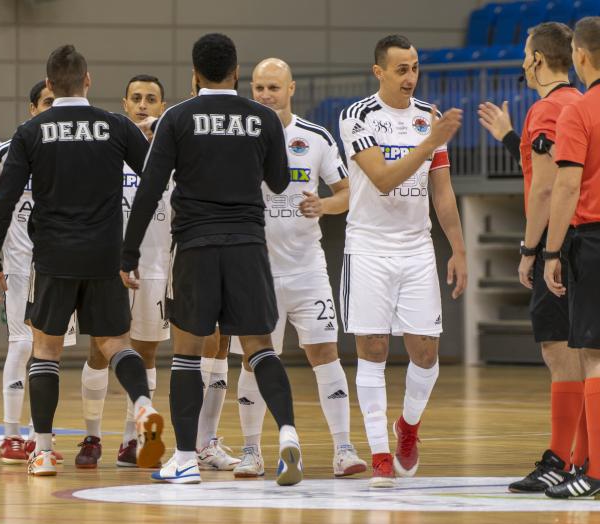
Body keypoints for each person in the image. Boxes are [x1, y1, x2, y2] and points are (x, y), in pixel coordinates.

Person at [122, 33, 301, 486]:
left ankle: (183, 458)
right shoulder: (263, 118)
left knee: (186, 356)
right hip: (247, 246)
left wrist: (128, 252)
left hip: (197, 248)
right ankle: (287, 434)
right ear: (237, 73)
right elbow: (280, 183)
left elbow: (150, 187)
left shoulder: (177, 117)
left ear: (195, 75)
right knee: (259, 347)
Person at [0, 44, 165, 477]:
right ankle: (142, 408)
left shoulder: (31, 132)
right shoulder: (117, 126)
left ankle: (43, 450)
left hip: (54, 257)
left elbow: (3, 201)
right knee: (116, 344)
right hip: (104, 255)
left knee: (44, 350)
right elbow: (155, 182)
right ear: (88, 80)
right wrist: (130, 246)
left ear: (48, 84)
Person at [229, 57, 366, 479]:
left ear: (291, 90)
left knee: (324, 353)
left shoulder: (315, 137)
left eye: (274, 88)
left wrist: (322, 206)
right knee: (252, 360)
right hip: (255, 272)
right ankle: (251, 451)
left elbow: (347, 192)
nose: (266, 96)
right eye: (259, 88)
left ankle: (343, 448)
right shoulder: (238, 137)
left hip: (307, 270)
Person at [338, 34, 465, 488]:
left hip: (417, 248)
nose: (410, 77)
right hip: (369, 248)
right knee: (371, 349)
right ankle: (378, 453)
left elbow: (442, 190)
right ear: (379, 72)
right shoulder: (357, 116)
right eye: (401, 69)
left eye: (415, 68)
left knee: (426, 351)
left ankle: (407, 427)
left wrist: (459, 249)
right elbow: (384, 179)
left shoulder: (427, 118)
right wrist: (430, 141)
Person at [478, 22, 585, 493]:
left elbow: (544, 187)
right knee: (578, 355)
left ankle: (565, 458)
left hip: (558, 244)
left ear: (538, 60)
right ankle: (572, 458)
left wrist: (529, 251)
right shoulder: (579, 104)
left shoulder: (546, 109)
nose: (522, 60)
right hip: (585, 238)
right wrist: (509, 137)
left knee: (560, 354)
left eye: (526, 52)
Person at [74, 74, 175, 469]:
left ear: (162, 107)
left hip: (155, 266)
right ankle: (92, 436)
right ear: (124, 103)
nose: (144, 105)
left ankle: (131, 441)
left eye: (152, 98)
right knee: (101, 351)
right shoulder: (108, 146)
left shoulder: (172, 152)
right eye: (136, 98)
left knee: (146, 353)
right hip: (109, 264)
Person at [0, 80, 74, 464]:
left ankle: (43, 436)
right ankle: (10, 434)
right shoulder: (10, 150)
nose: (53, 107)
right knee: (23, 345)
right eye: (47, 102)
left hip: (58, 266)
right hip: (20, 265)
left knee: (51, 354)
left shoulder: (73, 147)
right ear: (33, 108)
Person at [543, 16, 600, 499]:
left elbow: (564, 185)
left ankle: (594, 472)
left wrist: (549, 251)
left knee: (594, 355)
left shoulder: (579, 110)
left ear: (580, 56)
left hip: (593, 237)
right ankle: (584, 462)